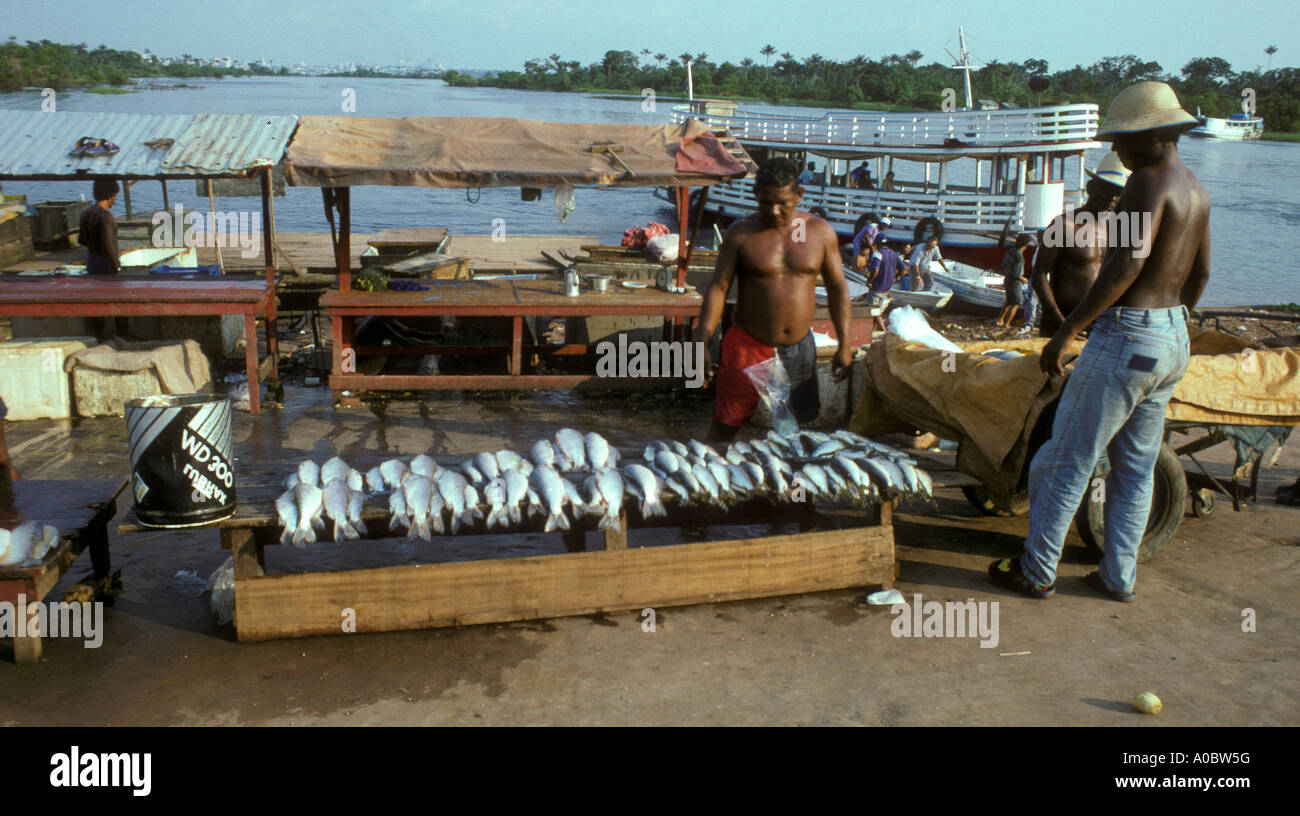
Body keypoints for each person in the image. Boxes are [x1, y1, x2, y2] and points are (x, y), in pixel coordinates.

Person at [989, 81, 1210, 602]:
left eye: (1124, 139)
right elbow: (1201, 273)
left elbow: (1127, 265)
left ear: (1156, 135)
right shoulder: (1195, 189)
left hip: (1128, 335)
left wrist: (1067, 331)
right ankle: (1118, 576)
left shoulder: (1147, 183)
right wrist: (1173, 325)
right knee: (1135, 468)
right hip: (1170, 336)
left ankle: (1036, 570)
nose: (1118, 151)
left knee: (1064, 459)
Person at [695, 157, 853, 443]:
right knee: (726, 423)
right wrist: (702, 340)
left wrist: (845, 343)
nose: (774, 211)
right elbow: (718, 287)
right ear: (756, 195)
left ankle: (791, 486)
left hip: (799, 346)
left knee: (796, 427)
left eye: (782, 202)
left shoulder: (818, 232)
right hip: (747, 344)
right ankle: (709, 478)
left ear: (799, 195)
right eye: (765, 202)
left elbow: (838, 288)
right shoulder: (741, 234)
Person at [1031, 151, 1131, 338]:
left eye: (1118, 194)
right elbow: (1039, 275)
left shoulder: (1116, 228)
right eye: (1107, 190)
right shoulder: (1063, 224)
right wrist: (1061, 322)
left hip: (1097, 326)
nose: (1112, 199)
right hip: (1059, 324)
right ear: (1091, 187)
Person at [79, 179, 120, 275]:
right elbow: (108, 245)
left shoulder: (85, 213)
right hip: (106, 265)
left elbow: (81, 240)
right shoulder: (105, 216)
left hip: (91, 261)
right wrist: (116, 267)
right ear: (112, 195)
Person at [866, 236, 905, 331]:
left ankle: (884, 331)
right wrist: (897, 277)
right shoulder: (894, 254)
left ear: (877, 244)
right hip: (887, 287)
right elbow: (903, 268)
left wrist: (869, 281)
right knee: (877, 310)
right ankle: (873, 330)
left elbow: (875, 269)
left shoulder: (877, 254)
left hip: (877, 287)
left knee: (874, 312)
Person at [995, 234, 1033, 327]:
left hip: (1007, 279)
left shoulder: (1010, 251)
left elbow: (1003, 265)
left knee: (1008, 301)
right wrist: (1025, 280)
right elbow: (1017, 275)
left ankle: (999, 320)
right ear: (1025, 245)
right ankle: (1007, 324)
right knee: (1016, 303)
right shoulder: (1019, 257)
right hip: (1014, 283)